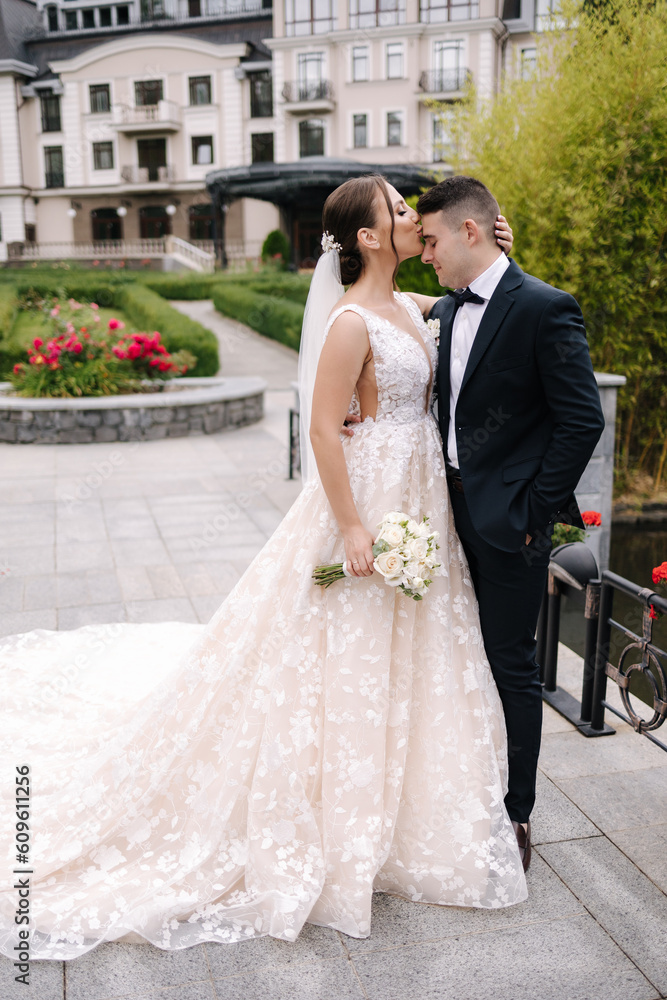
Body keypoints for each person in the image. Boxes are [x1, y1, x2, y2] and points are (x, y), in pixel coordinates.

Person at [0, 175, 524, 963]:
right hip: (371, 500)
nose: (416, 218)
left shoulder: (416, 309)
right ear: (372, 237)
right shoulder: (351, 321)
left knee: (409, 651)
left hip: (419, 499)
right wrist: (351, 526)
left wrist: (492, 248)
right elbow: (321, 429)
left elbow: (469, 306)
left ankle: (402, 806)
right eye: (400, 210)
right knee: (339, 644)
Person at [406, 176, 605, 871]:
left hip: (508, 524)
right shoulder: (443, 307)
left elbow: (582, 418)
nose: (422, 253)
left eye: (429, 240)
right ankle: (455, 790)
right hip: (439, 510)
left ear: (469, 232)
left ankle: (514, 815)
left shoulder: (545, 307)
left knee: (509, 667)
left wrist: (530, 511)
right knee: (449, 658)